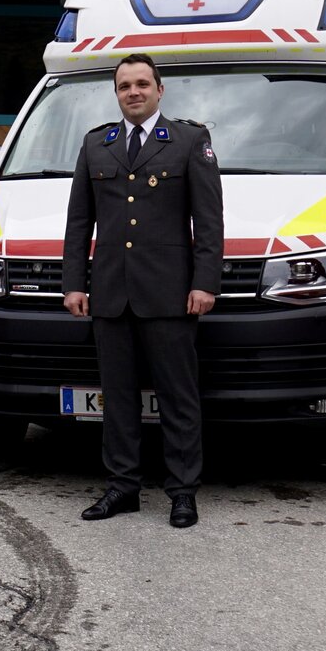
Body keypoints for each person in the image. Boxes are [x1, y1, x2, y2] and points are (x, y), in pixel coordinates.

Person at [60, 53, 223, 528]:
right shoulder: (96, 144)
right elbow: (78, 222)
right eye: (124, 85)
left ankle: (182, 491)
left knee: (178, 397)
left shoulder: (190, 140)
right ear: (116, 93)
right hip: (110, 293)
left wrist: (205, 283)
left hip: (170, 295)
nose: (133, 92)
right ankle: (122, 486)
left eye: (142, 84)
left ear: (160, 90)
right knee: (118, 397)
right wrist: (74, 283)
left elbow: (208, 221)